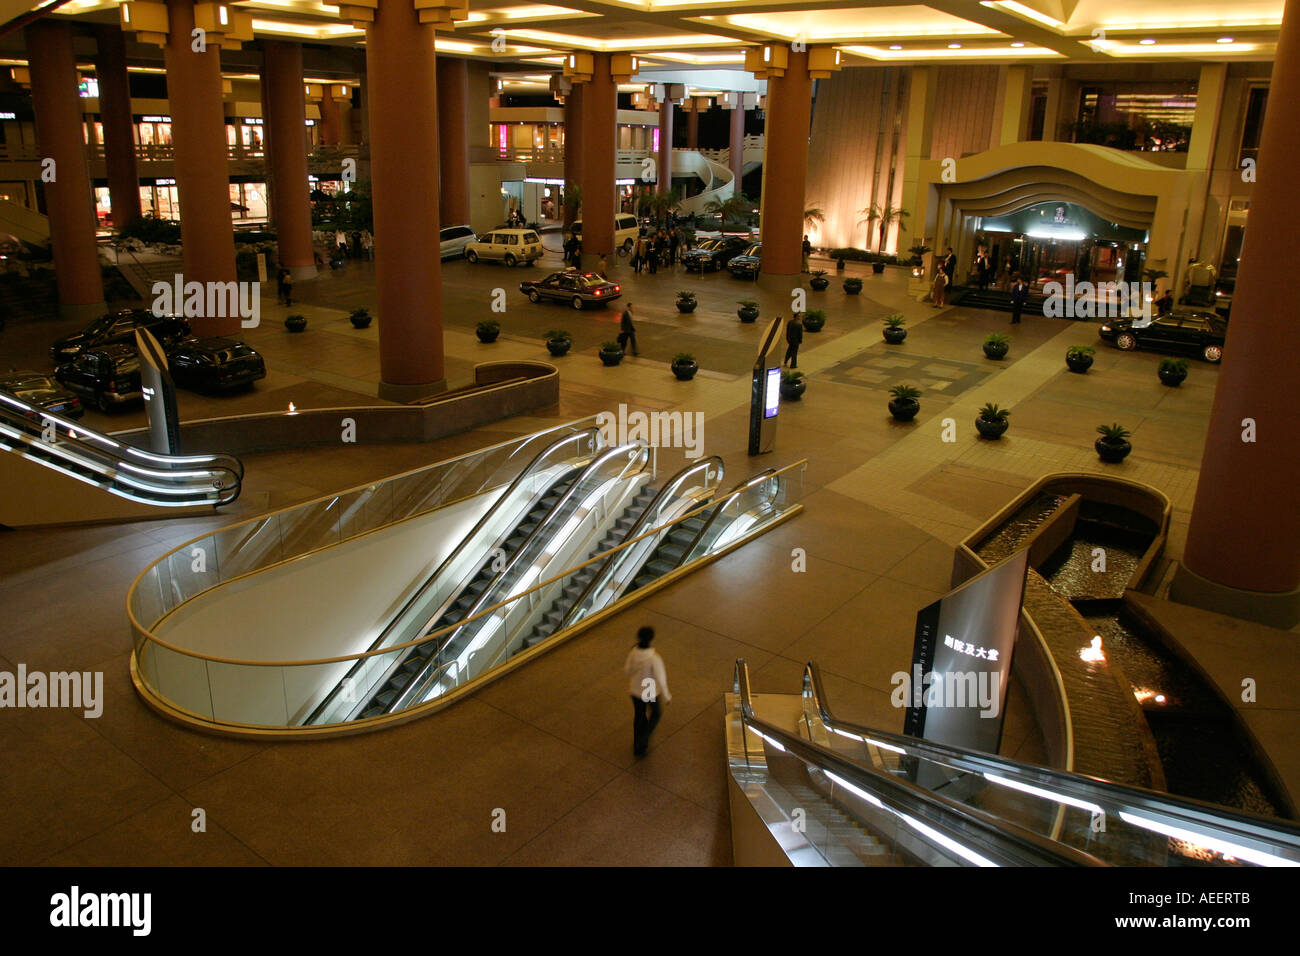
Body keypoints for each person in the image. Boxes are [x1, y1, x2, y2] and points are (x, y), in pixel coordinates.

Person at [625, 626, 671, 756]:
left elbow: (627, 670)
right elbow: (661, 678)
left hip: (635, 689)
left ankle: (637, 745)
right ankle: (644, 738)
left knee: (639, 716)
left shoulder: (633, 652)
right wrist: (667, 695)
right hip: (649, 689)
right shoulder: (654, 658)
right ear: (651, 638)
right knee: (656, 714)